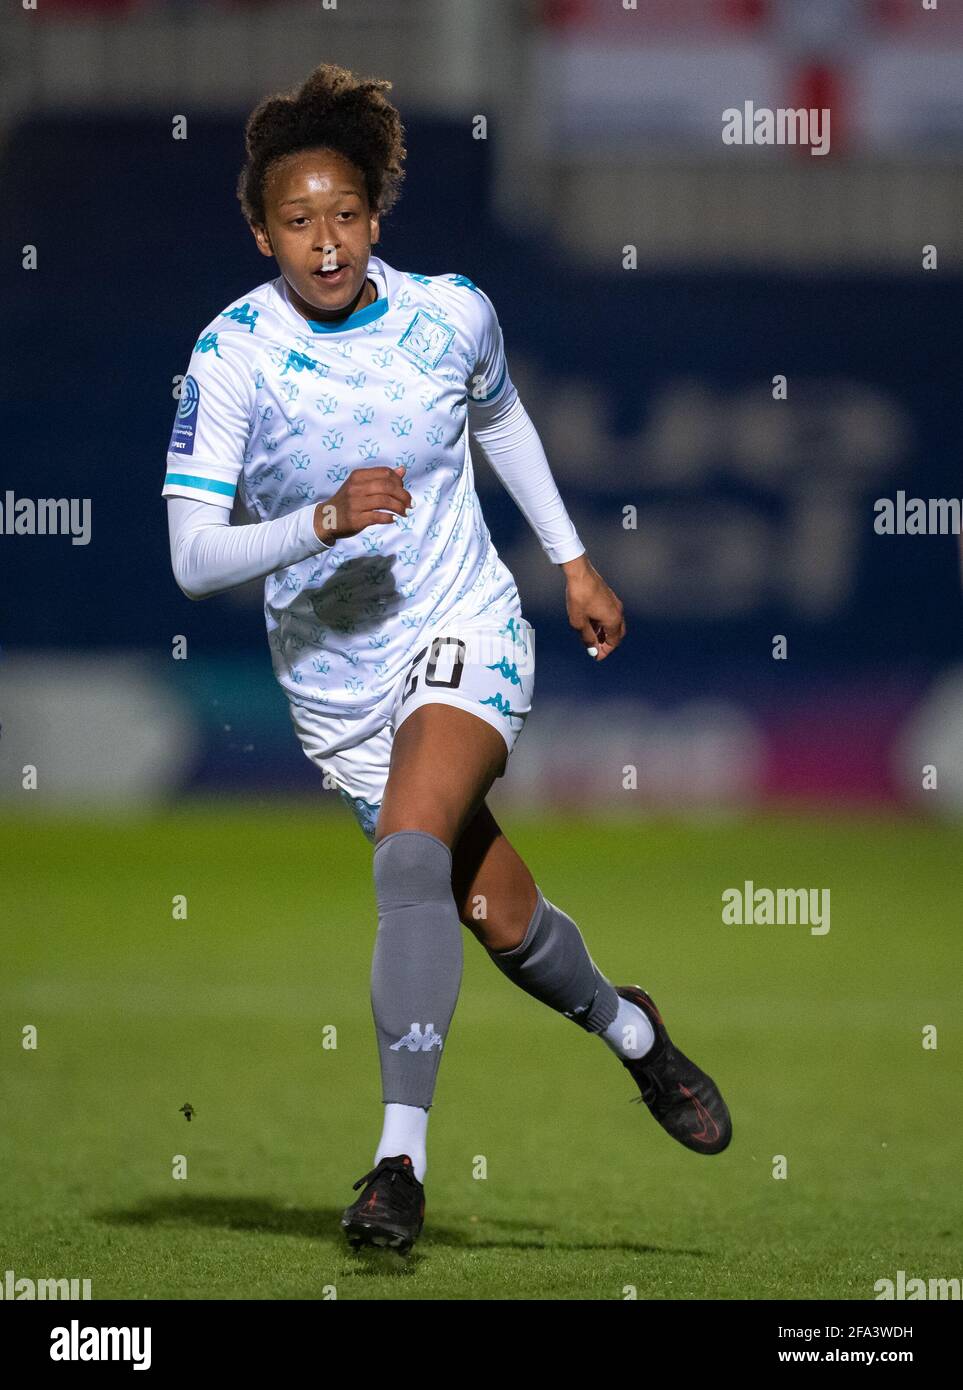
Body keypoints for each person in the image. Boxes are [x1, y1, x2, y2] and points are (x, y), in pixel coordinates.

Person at [162, 62, 731, 1256]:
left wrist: (571, 561)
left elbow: (502, 413)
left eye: (347, 216)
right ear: (261, 227)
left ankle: (395, 1166)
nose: (326, 244)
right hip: (333, 680)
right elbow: (192, 557)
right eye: (299, 221)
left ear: (377, 217)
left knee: (410, 854)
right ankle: (634, 1035)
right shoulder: (230, 359)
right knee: (492, 908)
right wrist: (315, 520)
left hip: (460, 624)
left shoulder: (449, 314)